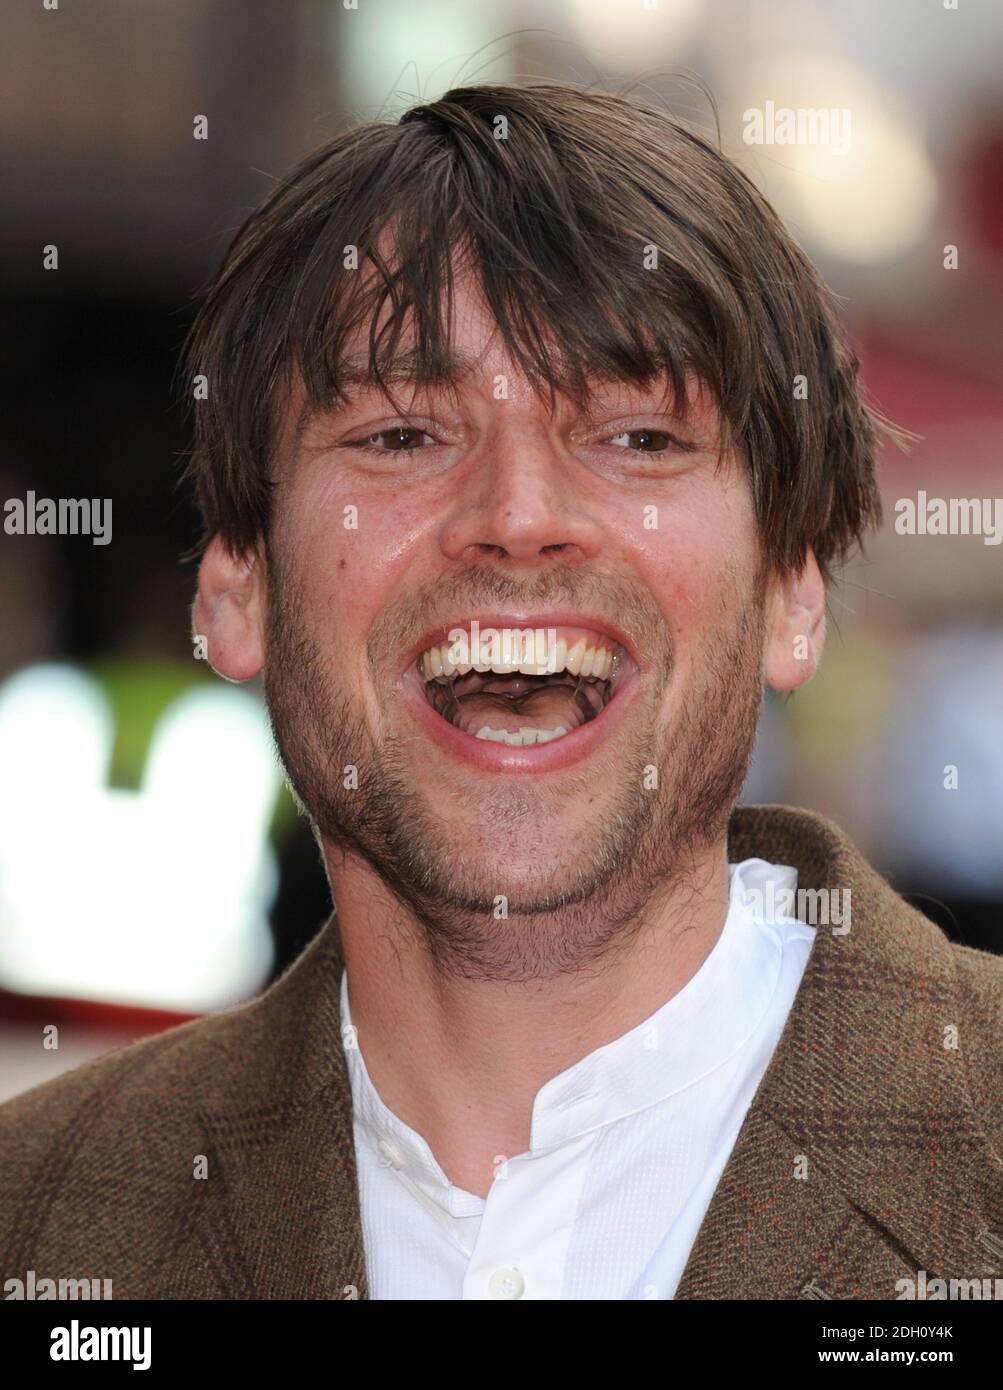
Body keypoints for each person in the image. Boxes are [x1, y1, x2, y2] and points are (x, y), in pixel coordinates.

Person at [1, 82, 1000, 1301]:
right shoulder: (32, 1223)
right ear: (239, 589)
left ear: (793, 590)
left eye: (637, 435)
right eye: (404, 436)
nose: (519, 517)